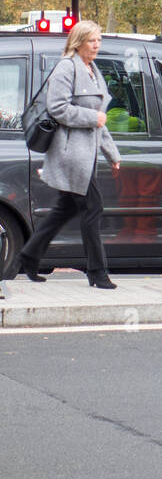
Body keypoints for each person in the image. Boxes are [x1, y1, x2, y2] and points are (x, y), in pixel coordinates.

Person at [17, 20, 120, 289]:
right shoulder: (67, 67)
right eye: (91, 40)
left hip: (87, 152)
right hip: (71, 153)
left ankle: (29, 256)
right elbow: (58, 108)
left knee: (65, 209)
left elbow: (102, 120)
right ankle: (97, 272)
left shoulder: (92, 70)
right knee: (93, 207)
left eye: (99, 40)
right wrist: (91, 117)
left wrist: (112, 154)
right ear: (78, 42)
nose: (96, 45)